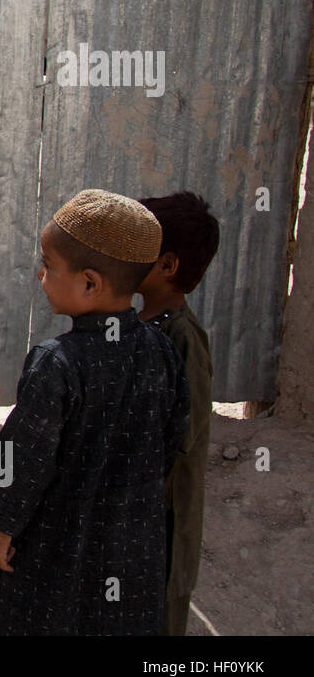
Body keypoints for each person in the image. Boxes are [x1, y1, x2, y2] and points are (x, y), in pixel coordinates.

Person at [0, 190, 191, 635]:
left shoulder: (58, 362)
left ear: (90, 283)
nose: (40, 275)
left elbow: (24, 455)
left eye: (48, 265)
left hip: (56, 546)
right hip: (130, 547)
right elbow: (173, 435)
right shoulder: (161, 349)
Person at [138, 191, 221, 635]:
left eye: (137, 248)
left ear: (167, 266)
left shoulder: (182, 340)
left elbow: (180, 436)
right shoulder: (138, 328)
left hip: (164, 519)